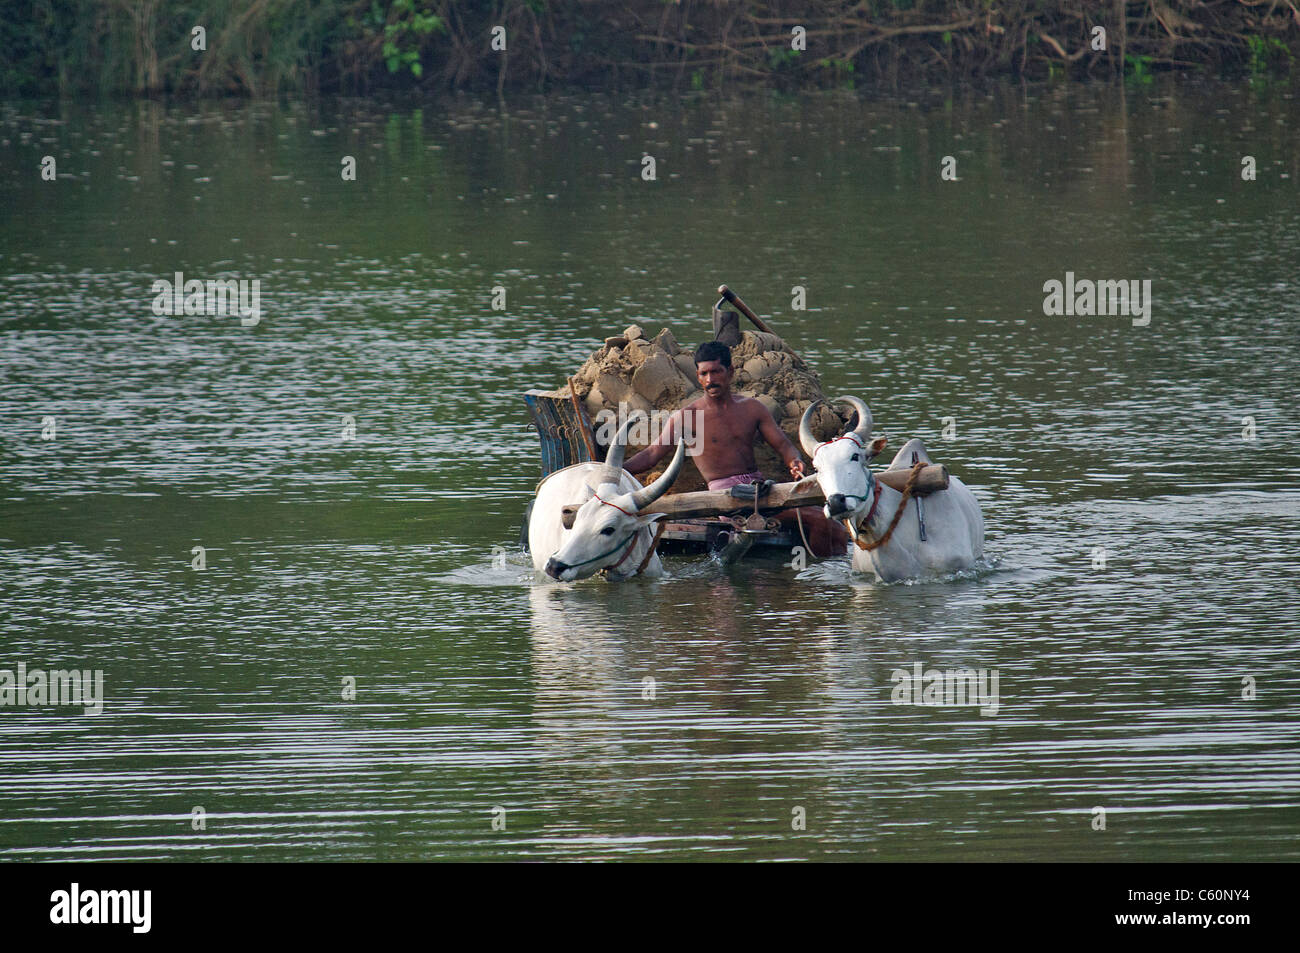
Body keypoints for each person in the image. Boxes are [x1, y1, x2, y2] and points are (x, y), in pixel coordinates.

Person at [622, 341, 847, 557]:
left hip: (761, 488)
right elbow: (652, 454)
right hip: (727, 497)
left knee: (829, 516)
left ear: (729, 372)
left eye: (716, 372)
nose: (710, 380)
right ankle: (823, 582)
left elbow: (783, 445)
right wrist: (614, 470)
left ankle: (826, 574)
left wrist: (794, 461)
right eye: (704, 374)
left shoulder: (752, 408)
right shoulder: (687, 417)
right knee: (824, 522)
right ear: (698, 377)